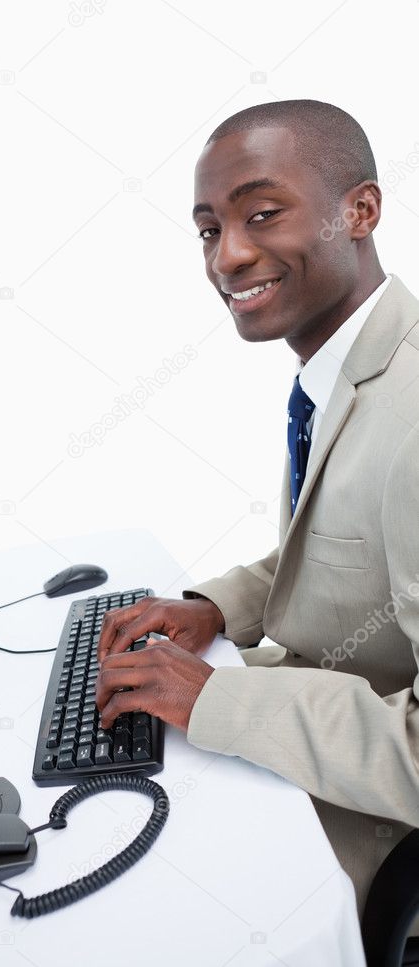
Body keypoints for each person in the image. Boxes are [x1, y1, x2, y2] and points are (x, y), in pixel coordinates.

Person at [95, 98, 419, 931]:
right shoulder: (344, 371)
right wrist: (214, 610)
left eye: (261, 214)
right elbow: (346, 550)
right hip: (312, 736)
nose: (228, 256)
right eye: (208, 230)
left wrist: (217, 703)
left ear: (362, 210)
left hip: (369, 826)